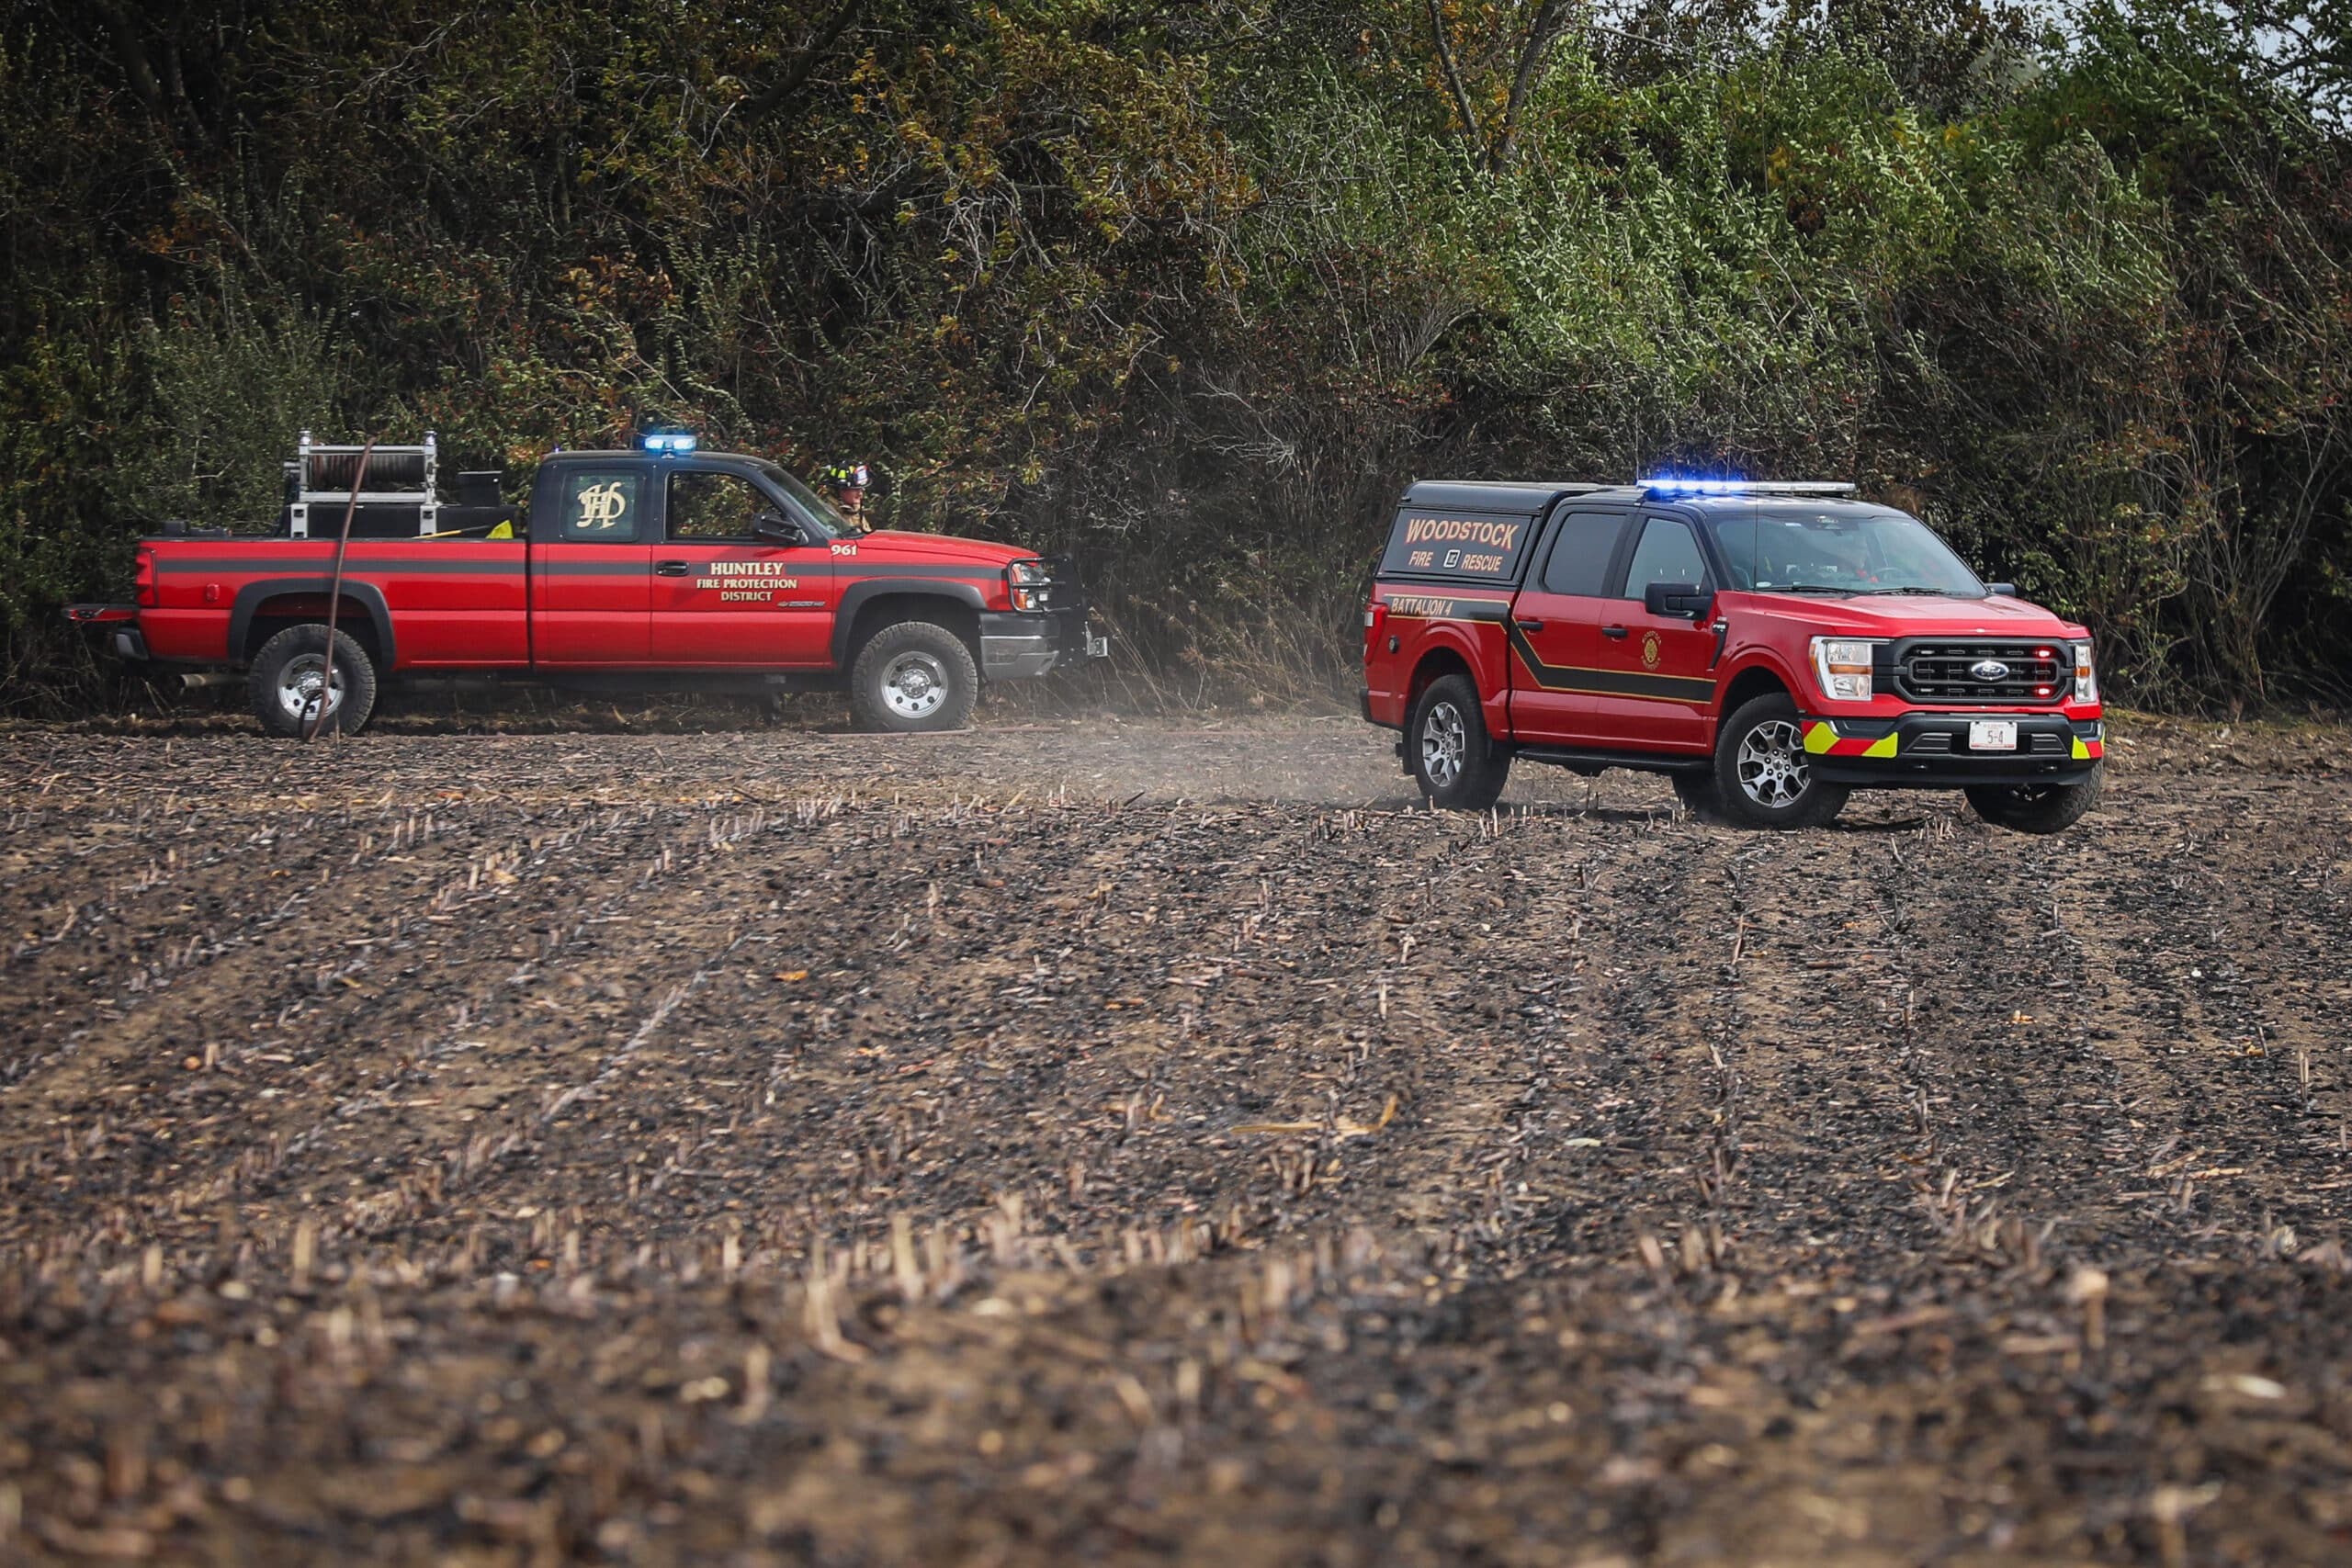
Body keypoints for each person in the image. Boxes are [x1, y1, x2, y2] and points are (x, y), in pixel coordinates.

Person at [817, 462, 873, 533]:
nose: (860, 494)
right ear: (840, 490)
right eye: (855, 490)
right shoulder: (825, 515)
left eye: (861, 489)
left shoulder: (854, 509)